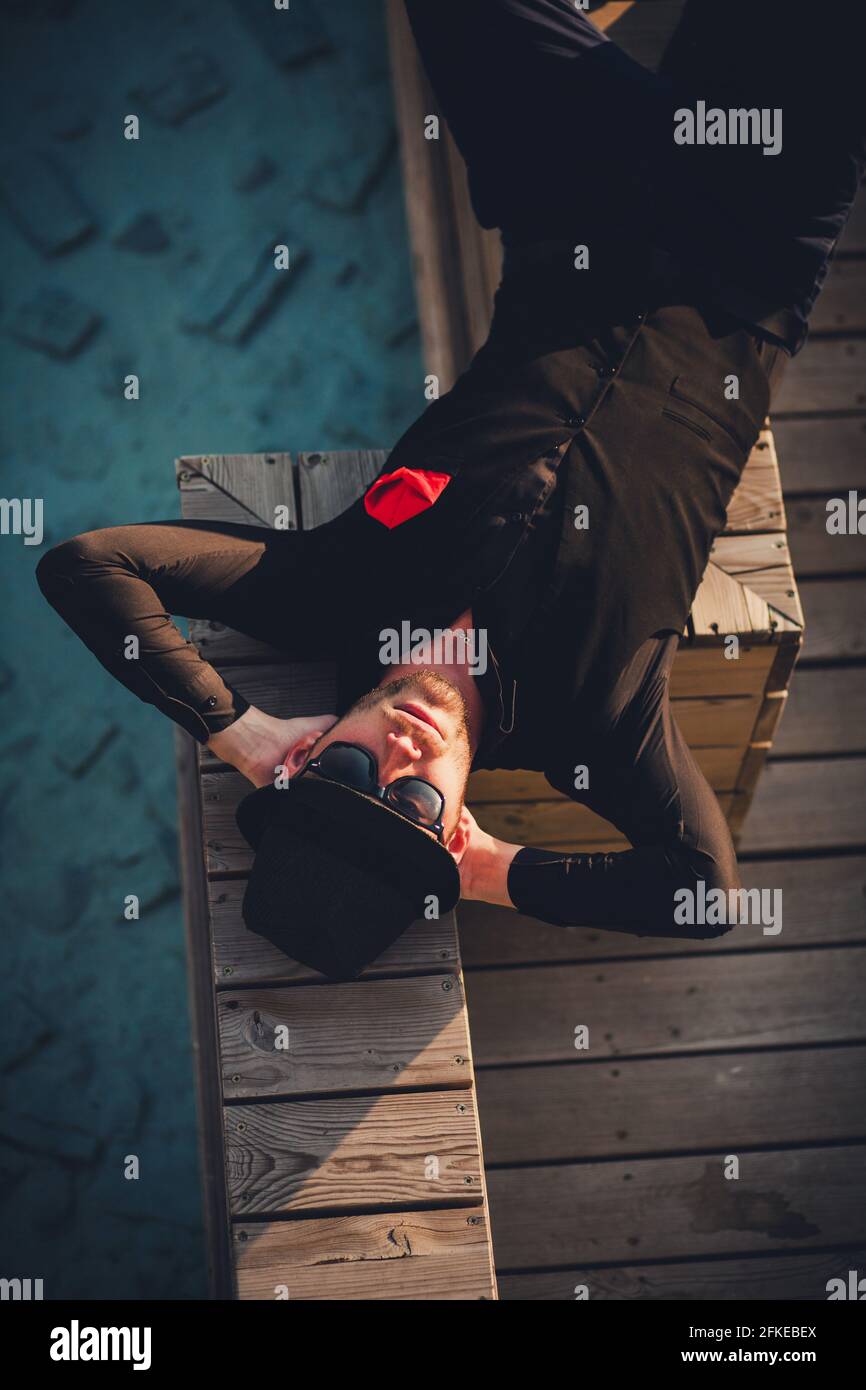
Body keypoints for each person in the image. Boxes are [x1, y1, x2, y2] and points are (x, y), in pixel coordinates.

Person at [36, 1, 865, 979]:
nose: (398, 754)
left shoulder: (325, 592)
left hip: (573, 208)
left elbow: (90, 566)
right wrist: (483, 869)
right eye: (413, 802)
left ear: (311, 752)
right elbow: (703, 892)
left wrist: (239, 733)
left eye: (350, 771)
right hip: (747, 246)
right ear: (447, 822)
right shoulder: (592, 719)